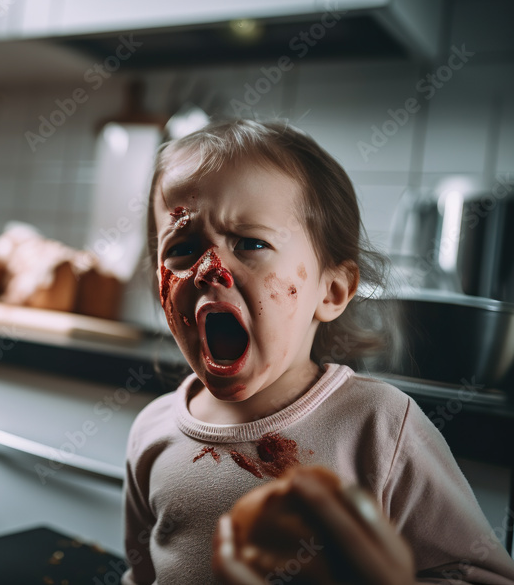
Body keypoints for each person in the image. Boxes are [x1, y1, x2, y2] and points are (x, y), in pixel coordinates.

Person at [122, 119, 514, 584]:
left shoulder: (378, 426)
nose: (210, 269)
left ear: (331, 290)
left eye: (250, 242)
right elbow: (140, 573)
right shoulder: (152, 431)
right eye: (182, 248)